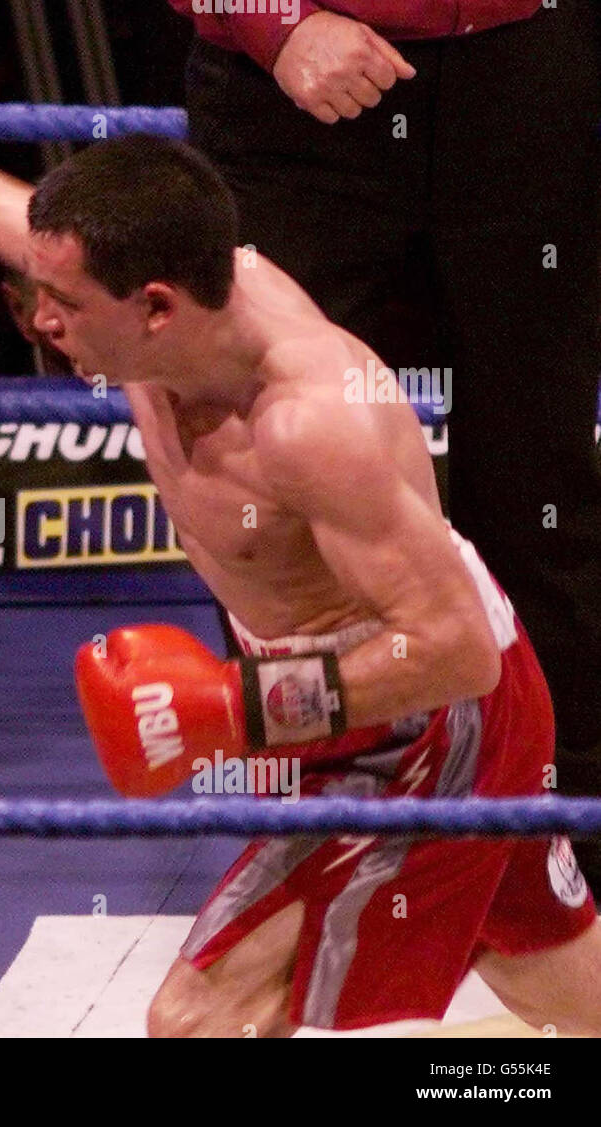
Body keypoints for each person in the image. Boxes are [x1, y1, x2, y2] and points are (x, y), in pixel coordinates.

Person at [0, 134, 601, 1035]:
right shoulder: (119, 273)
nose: (41, 320)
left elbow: (455, 650)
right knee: (556, 982)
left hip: (425, 726)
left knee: (197, 1018)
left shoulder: (307, 423)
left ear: (158, 309)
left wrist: (234, 706)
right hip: (371, 701)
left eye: (63, 303)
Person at [166, 0, 601, 888]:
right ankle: (326, 823)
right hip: (286, 97)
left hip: (530, 65)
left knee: (542, 473)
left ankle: (559, 841)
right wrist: (275, 24)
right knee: (266, 475)